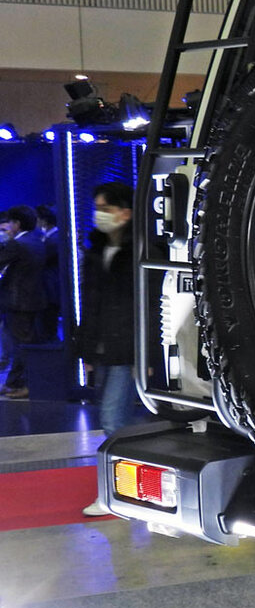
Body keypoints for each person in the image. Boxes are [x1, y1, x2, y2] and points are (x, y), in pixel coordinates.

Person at [77, 183, 139, 517]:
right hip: (104, 348)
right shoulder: (95, 251)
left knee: (113, 420)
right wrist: (86, 350)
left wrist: (145, 354)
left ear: (125, 211)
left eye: (106, 207)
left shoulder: (141, 251)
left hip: (128, 349)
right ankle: (123, 490)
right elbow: (91, 305)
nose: (100, 213)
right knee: (117, 422)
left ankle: (117, 493)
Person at [0, 205, 47, 399]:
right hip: (32, 300)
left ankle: (26, 383)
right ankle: (14, 382)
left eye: (9, 223)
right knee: (22, 343)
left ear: (17, 224)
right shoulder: (37, 240)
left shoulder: (17, 244)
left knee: (18, 345)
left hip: (18, 302)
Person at [34, 204, 60, 343]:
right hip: (47, 290)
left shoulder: (54, 240)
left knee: (48, 329)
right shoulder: (48, 239)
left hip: (50, 290)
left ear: (43, 221)